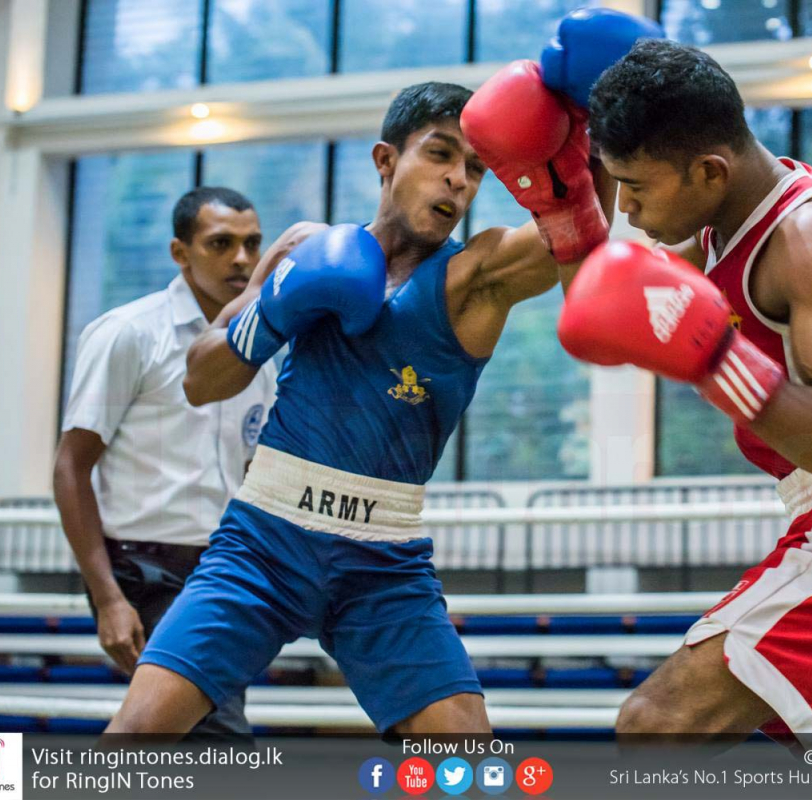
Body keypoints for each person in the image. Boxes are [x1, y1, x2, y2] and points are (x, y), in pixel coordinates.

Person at [102, 61, 624, 737]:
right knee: (129, 742)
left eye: (473, 168)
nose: (457, 181)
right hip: (262, 543)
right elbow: (202, 380)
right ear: (387, 159)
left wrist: (593, 128)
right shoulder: (303, 248)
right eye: (439, 155)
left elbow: (577, 235)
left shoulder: (477, 274)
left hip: (383, 565)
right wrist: (279, 303)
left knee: (467, 763)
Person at [558, 39, 812, 743]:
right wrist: (555, 198)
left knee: (655, 728)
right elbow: (597, 305)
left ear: (710, 170)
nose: (628, 207)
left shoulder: (811, 237)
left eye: (639, 188)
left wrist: (715, 357)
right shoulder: (715, 224)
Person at [53, 187, 278, 739]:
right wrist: (108, 598)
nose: (242, 259)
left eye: (252, 243)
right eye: (221, 244)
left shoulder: (261, 347)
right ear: (181, 252)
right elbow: (71, 466)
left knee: (171, 736)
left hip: (226, 571)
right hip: (144, 573)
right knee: (211, 734)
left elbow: (254, 470)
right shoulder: (129, 332)